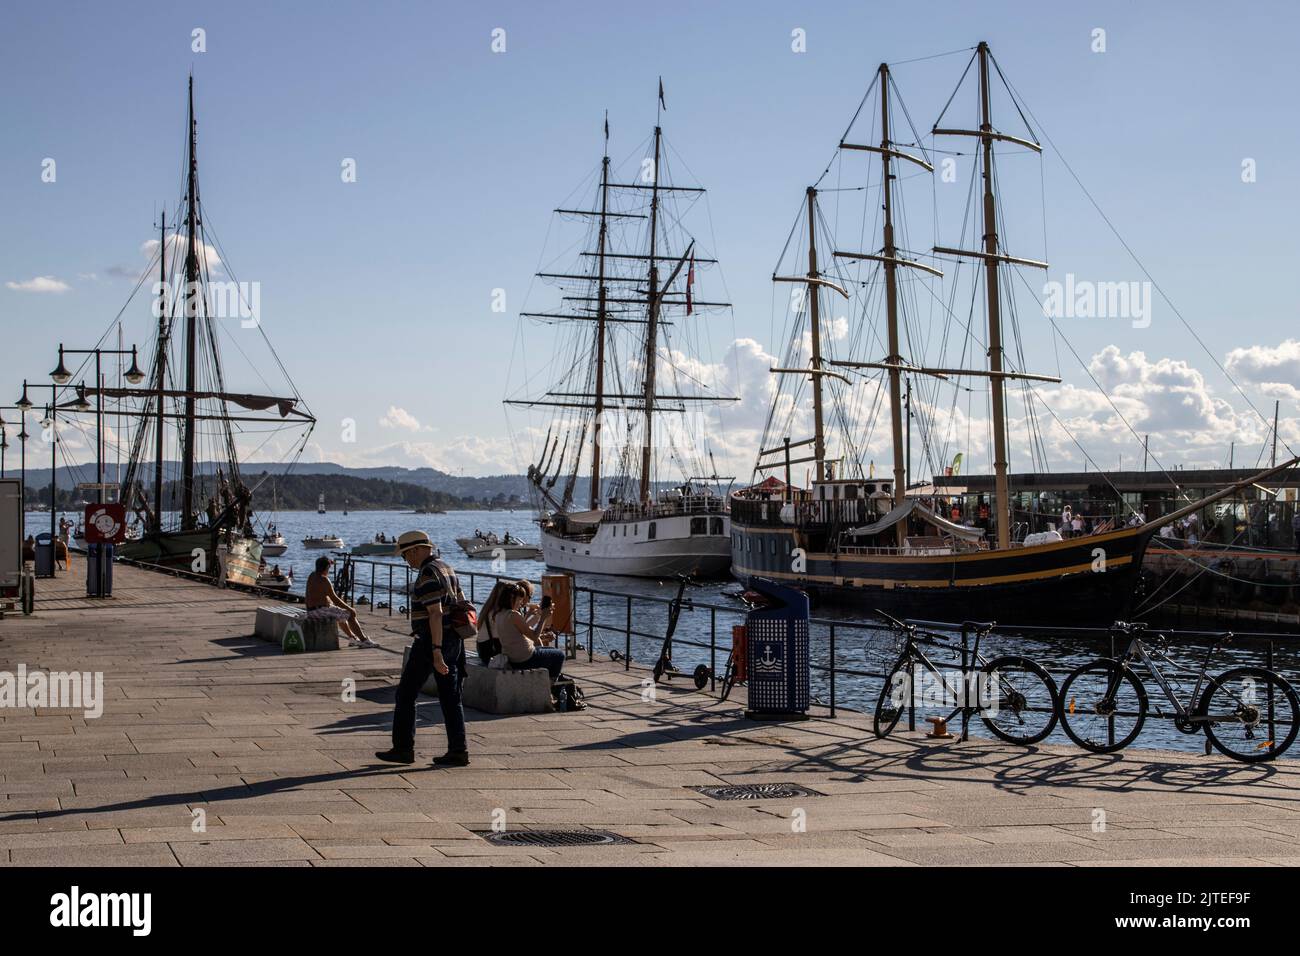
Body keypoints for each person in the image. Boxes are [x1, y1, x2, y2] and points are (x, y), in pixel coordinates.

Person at [376, 530, 470, 768]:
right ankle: (459, 751)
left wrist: (436, 651)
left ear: (417, 550)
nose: (406, 560)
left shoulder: (427, 574)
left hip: (431, 641)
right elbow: (460, 604)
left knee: (406, 694)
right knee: (451, 698)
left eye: (405, 555)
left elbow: (436, 614)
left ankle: (403, 749)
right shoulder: (446, 567)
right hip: (453, 640)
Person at [493, 580, 565, 682]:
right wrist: (543, 618)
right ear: (511, 599)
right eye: (519, 600)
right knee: (559, 655)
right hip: (524, 659)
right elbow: (534, 636)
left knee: (547, 649)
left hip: (512, 657)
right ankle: (549, 685)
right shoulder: (513, 615)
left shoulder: (499, 614)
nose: (521, 603)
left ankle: (547, 681)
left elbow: (517, 635)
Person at [305, 555, 376, 647]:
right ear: (326, 568)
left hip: (311, 610)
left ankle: (352, 638)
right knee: (350, 615)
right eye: (328, 568)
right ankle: (364, 640)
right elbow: (335, 599)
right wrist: (350, 609)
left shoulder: (312, 575)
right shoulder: (324, 580)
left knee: (340, 613)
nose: (329, 570)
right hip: (319, 611)